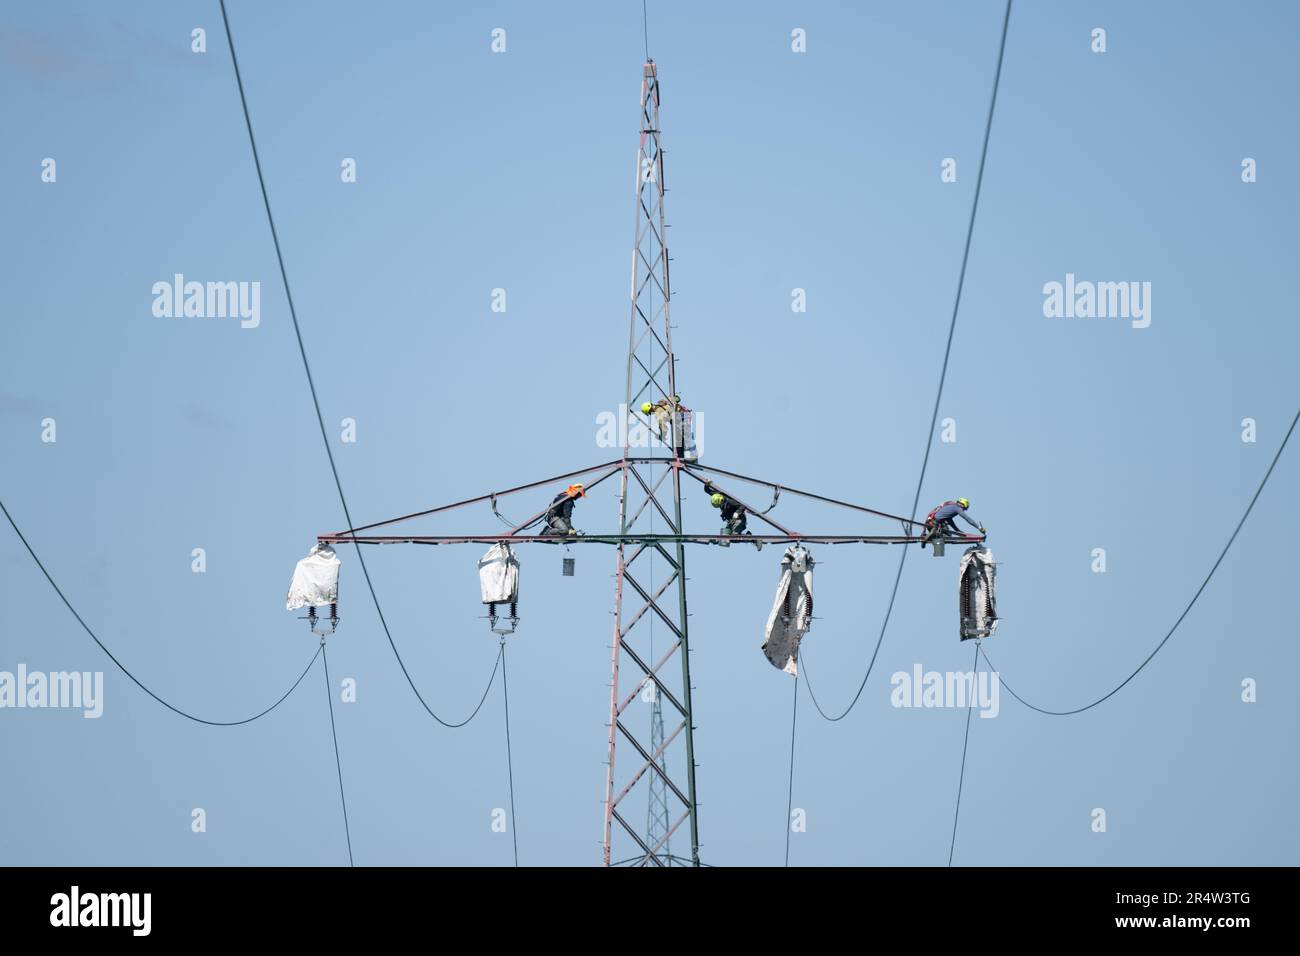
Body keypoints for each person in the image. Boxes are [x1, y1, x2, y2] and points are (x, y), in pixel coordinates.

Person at [705, 481, 760, 549]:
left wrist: (737, 513)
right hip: (732, 521)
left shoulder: (729, 501)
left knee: (733, 537)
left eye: (720, 505)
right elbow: (707, 491)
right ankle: (717, 540)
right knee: (725, 537)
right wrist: (706, 484)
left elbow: (743, 506)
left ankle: (753, 539)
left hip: (739, 519)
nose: (720, 506)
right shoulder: (717, 496)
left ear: (721, 500)